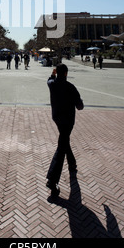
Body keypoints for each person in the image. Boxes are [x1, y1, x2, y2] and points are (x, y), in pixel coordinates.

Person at [46, 63, 84, 196]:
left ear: (57, 72)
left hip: (57, 119)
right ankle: (52, 179)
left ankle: (72, 164)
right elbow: (80, 106)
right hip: (68, 121)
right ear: (66, 73)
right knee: (61, 147)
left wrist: (53, 73)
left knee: (64, 141)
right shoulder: (70, 87)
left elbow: (49, 80)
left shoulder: (52, 84)